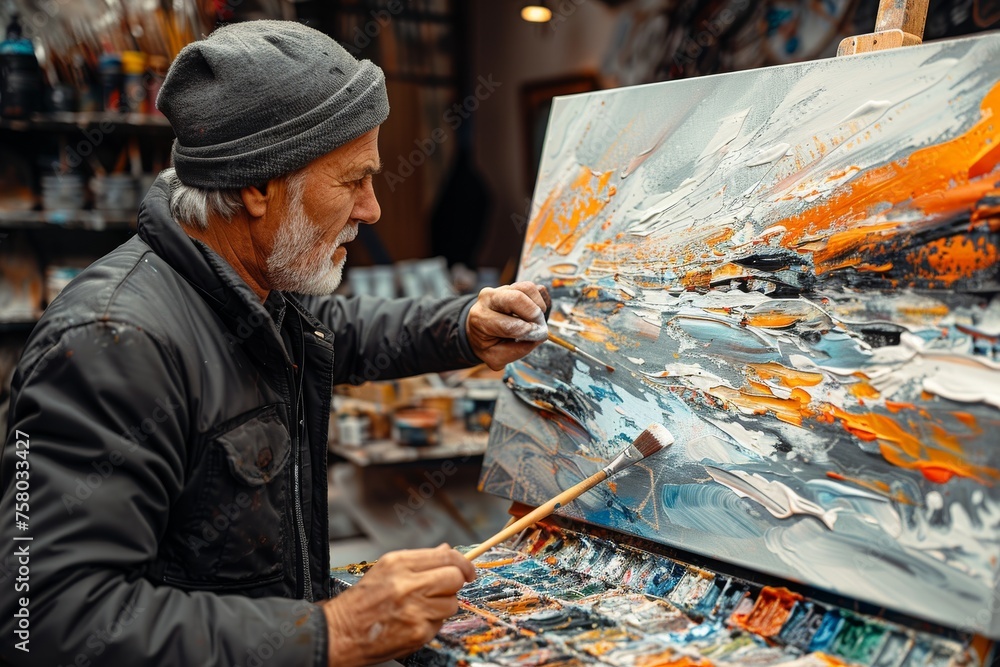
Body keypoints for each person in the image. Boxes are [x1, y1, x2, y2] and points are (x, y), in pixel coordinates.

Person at [0, 20, 550, 667]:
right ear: (259, 186)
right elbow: (47, 618)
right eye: (352, 181)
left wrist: (465, 323)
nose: (372, 209)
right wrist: (333, 631)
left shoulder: (252, 290)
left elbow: (343, 330)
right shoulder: (111, 345)